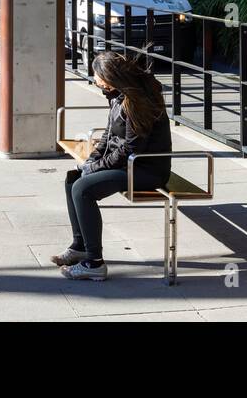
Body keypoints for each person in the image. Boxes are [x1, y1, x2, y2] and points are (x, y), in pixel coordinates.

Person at [54, 51, 172, 281]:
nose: (95, 80)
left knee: (82, 189)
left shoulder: (137, 102)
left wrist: (95, 169)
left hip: (145, 170)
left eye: (97, 75)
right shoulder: (118, 96)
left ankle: (94, 263)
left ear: (110, 77)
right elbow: (108, 137)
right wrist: (91, 162)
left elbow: (130, 149)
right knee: (72, 179)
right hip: (128, 164)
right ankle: (80, 245)